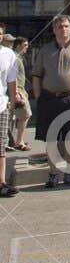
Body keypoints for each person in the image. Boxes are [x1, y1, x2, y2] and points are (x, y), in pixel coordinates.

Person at [31, 15, 70, 188]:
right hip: (49, 98)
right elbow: (36, 75)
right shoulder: (45, 50)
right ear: (54, 30)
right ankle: (52, 174)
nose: (63, 29)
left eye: (66, 26)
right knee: (51, 138)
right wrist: (38, 97)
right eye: (59, 27)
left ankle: (69, 173)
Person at [0, 36, 21, 198]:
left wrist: (13, 100)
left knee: (1, 146)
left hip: (1, 106)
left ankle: (1, 183)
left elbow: (11, 80)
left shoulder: (8, 54)